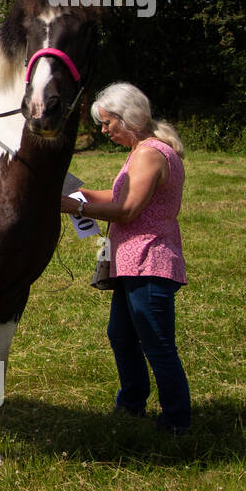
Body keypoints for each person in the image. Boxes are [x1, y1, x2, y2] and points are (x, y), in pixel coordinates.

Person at [60, 82, 191, 433]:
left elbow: (128, 209)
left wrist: (72, 205)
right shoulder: (142, 151)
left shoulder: (150, 153)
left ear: (128, 117)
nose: (103, 131)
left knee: (157, 343)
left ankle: (176, 420)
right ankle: (132, 404)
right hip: (131, 262)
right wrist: (75, 189)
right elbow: (116, 193)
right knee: (121, 334)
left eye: (107, 123)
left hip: (150, 262)